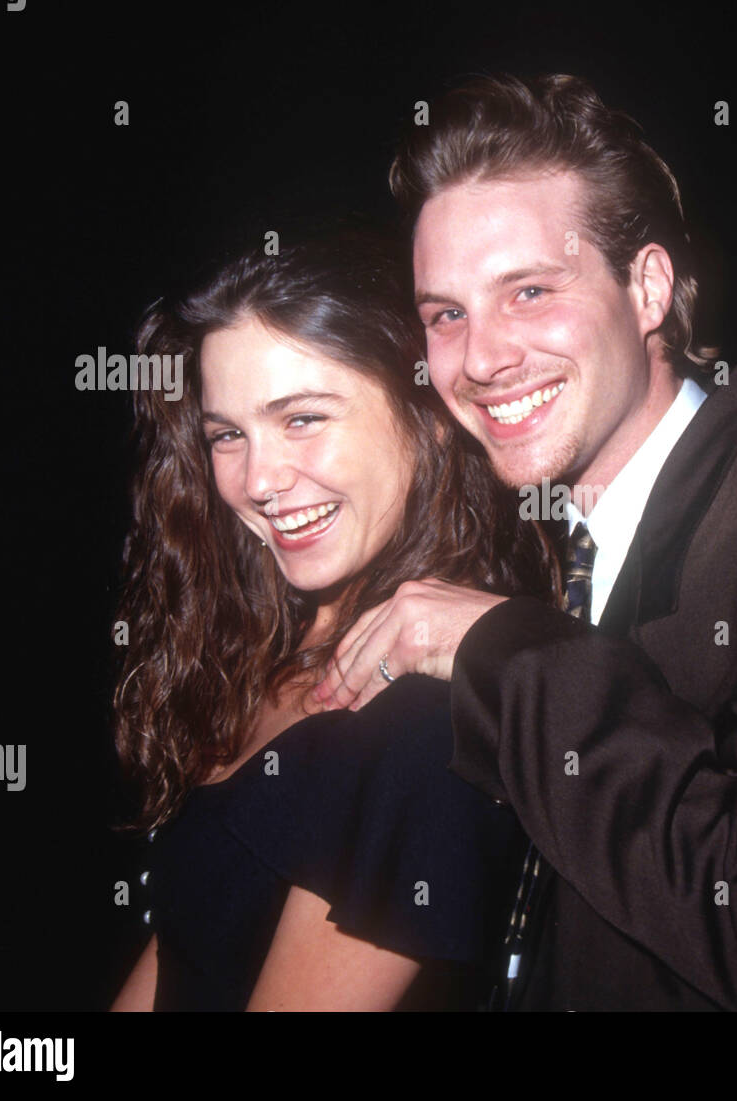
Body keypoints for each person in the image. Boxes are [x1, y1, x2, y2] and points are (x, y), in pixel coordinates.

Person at [314, 74, 737, 1010]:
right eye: (446, 313)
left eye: (530, 291)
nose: (482, 358)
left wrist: (504, 651)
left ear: (648, 286)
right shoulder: (540, 526)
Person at [108, 228, 553, 1011]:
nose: (260, 480)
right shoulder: (270, 650)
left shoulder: (424, 720)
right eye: (227, 435)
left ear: (427, 415)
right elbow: (182, 948)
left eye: (304, 418)